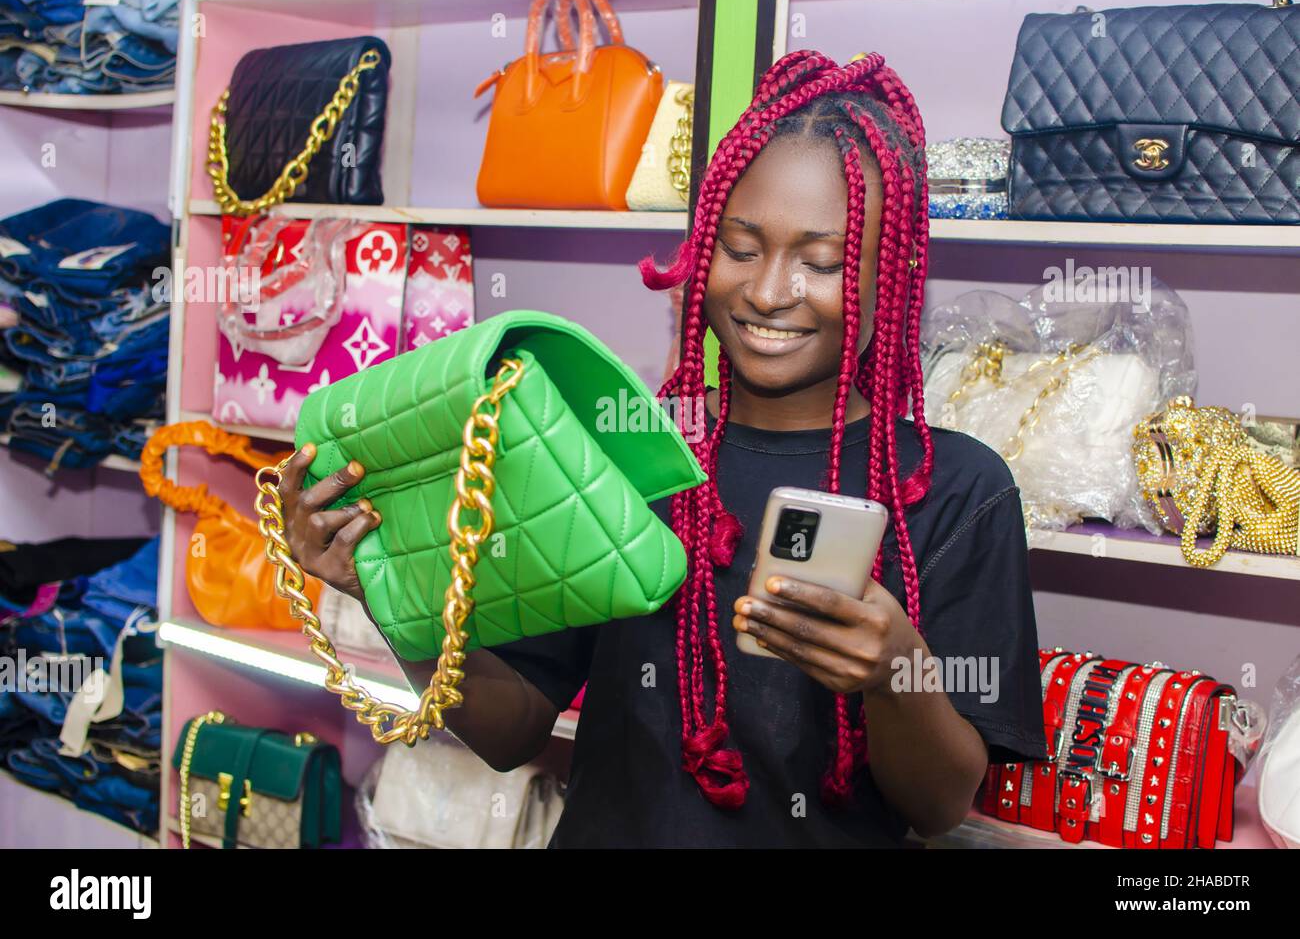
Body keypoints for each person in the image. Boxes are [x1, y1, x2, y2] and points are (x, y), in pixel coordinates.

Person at [276, 51, 1046, 847]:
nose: (767, 290)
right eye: (741, 247)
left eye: (820, 262)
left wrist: (895, 674)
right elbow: (512, 729)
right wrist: (382, 585)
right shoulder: (627, 445)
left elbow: (940, 801)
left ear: (891, 273)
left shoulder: (955, 489)